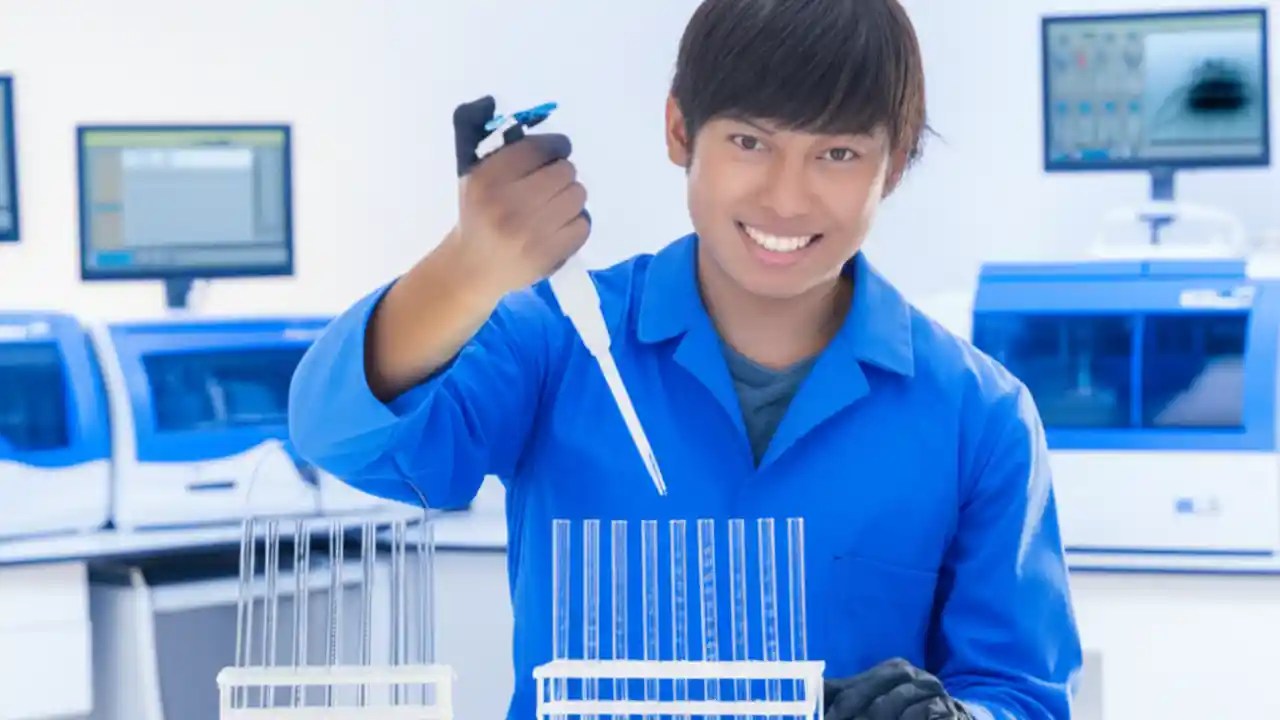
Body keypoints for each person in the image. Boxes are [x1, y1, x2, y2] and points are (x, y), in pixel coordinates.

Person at [288, 0, 1083, 718]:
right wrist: (466, 268)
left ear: (898, 160)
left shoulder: (980, 417)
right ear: (679, 131)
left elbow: (1023, 692)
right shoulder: (556, 343)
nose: (786, 197)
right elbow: (342, 435)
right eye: (749, 142)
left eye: (837, 154)